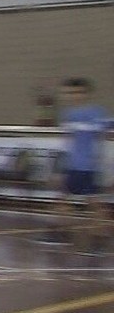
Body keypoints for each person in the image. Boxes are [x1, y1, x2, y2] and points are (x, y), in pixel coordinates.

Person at [38, 77, 110, 254]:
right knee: (62, 199)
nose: (73, 96)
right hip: (71, 166)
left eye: (78, 92)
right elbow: (68, 142)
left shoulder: (97, 113)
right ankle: (60, 232)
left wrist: (104, 168)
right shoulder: (68, 115)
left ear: (86, 93)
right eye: (69, 92)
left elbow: (102, 140)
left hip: (89, 167)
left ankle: (100, 239)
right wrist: (59, 169)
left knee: (95, 204)